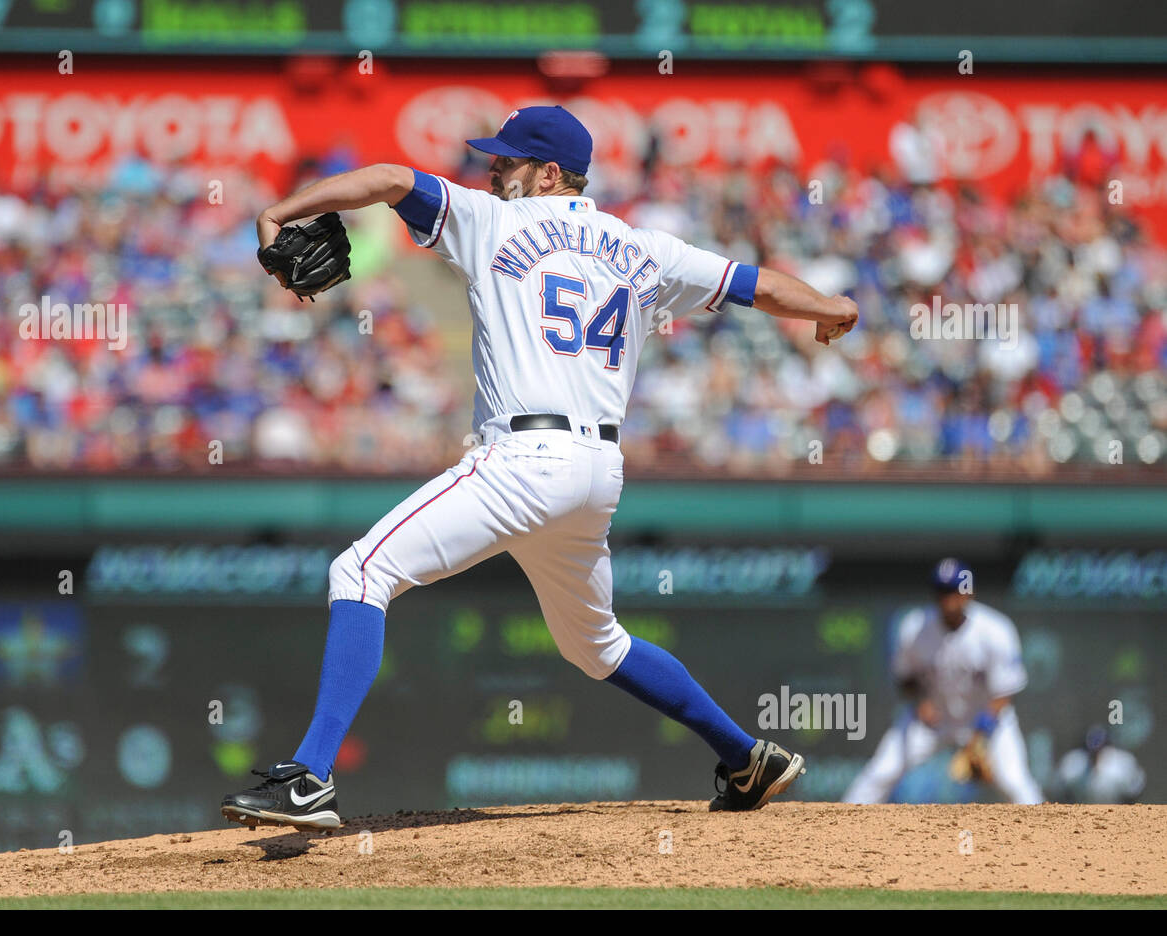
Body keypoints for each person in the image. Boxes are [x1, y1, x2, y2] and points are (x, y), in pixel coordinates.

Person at [221, 105, 859, 829]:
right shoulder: (645, 247)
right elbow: (758, 285)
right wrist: (830, 306)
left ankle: (309, 777)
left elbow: (392, 178)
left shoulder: (493, 222)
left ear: (548, 173)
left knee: (360, 572)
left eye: (505, 162)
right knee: (597, 645)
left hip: (525, 459)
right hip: (598, 471)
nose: (492, 172)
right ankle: (746, 758)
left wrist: (280, 208)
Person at [843, 558, 1043, 804]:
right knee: (881, 772)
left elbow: (1003, 694)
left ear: (969, 593)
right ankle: (837, 832)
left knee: (1015, 781)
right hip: (933, 721)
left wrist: (979, 737)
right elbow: (905, 678)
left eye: (954, 590)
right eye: (942, 590)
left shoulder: (995, 630)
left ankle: (1048, 838)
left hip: (987, 720)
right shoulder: (915, 628)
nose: (948, 598)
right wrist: (920, 702)